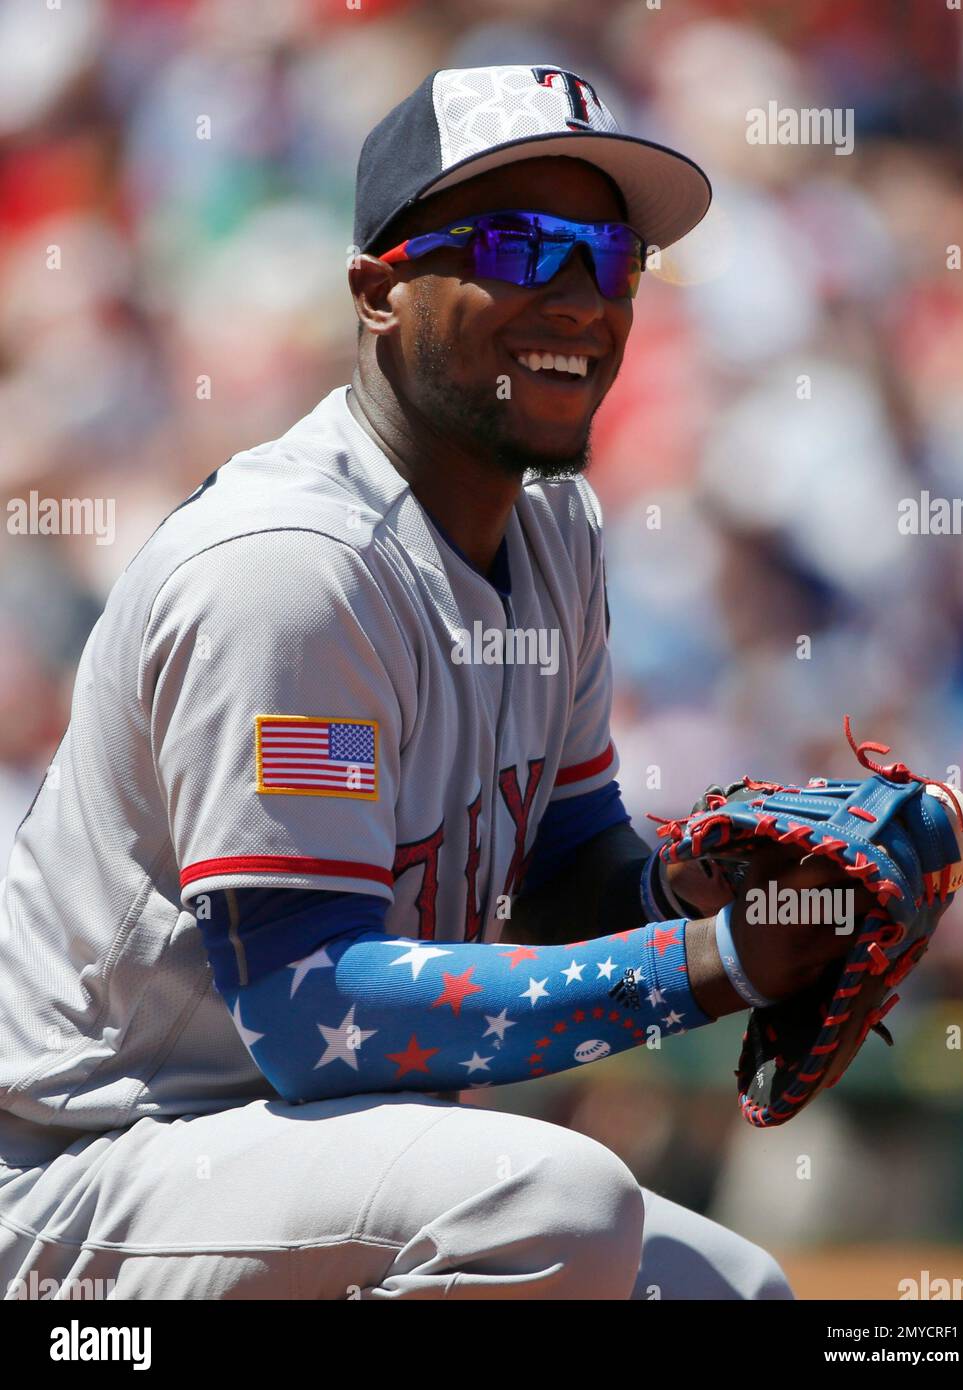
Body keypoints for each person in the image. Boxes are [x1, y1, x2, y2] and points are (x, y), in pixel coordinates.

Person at [0, 64, 847, 1300]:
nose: (577, 298)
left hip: (301, 1168)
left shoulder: (556, 532)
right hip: (85, 1175)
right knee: (554, 1203)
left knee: (737, 1291)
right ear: (378, 291)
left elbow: (563, 870)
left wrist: (694, 887)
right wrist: (711, 963)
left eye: (610, 258)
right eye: (518, 247)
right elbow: (306, 1012)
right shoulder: (291, 568)